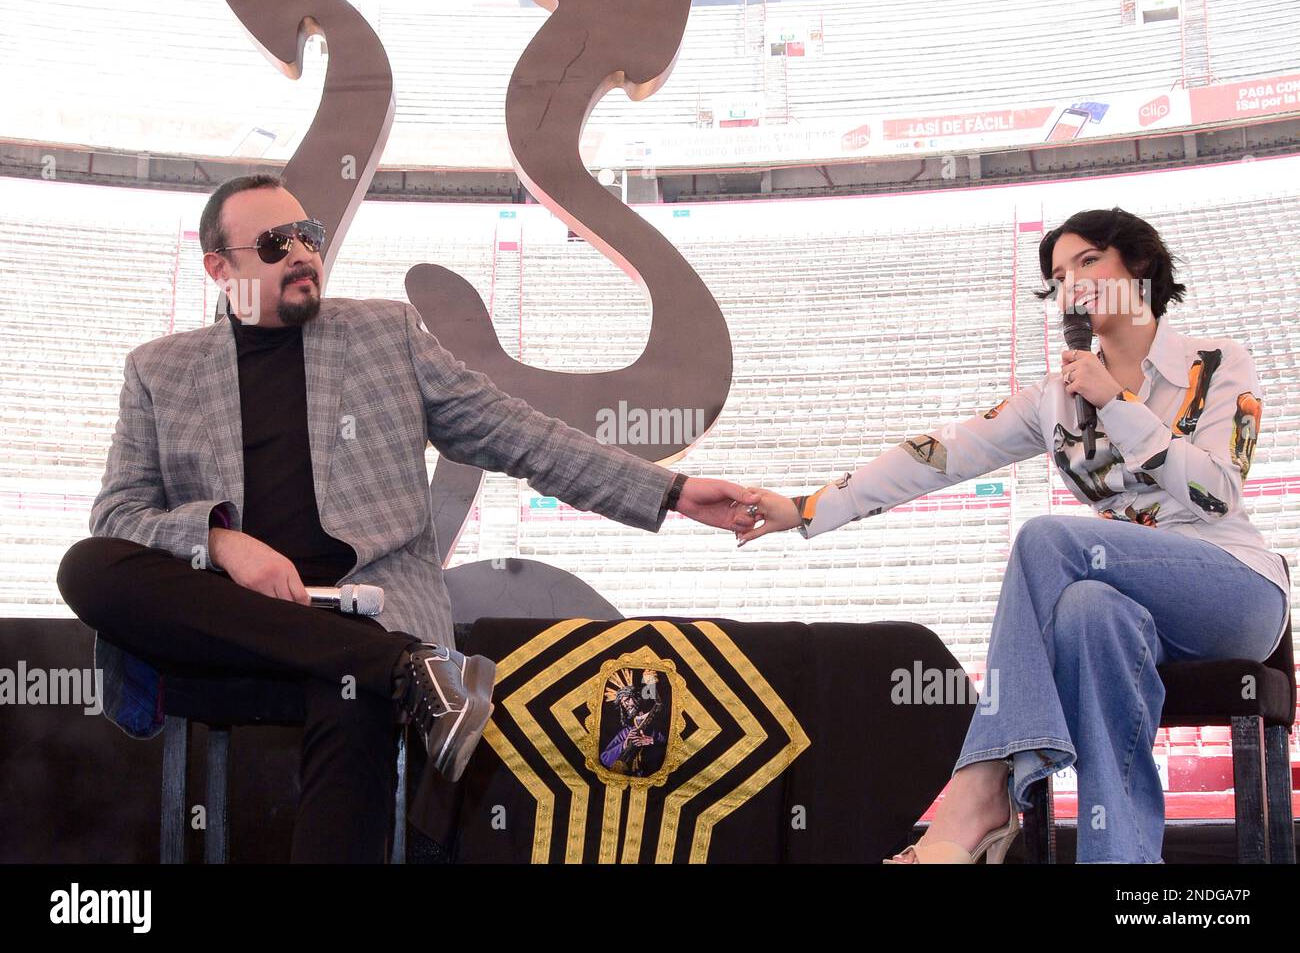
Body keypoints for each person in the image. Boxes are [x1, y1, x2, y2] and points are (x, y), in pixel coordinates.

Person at [55, 173, 752, 863]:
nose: (302, 253)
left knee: (352, 694)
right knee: (86, 566)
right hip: (230, 633)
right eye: (276, 243)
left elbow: (516, 434)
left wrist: (672, 491)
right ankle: (405, 667)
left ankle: (382, 662)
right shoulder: (159, 370)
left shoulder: (384, 333)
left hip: (362, 616)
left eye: (310, 236)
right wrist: (222, 542)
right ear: (219, 267)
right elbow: (119, 515)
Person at [734, 207, 1290, 863]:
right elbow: (936, 455)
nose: (1071, 282)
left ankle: (982, 792)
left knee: (1048, 539)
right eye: (1058, 274)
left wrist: (1118, 402)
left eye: (1088, 261)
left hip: (1234, 593)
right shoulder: (1053, 401)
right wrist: (804, 507)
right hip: (1131, 613)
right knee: (1086, 612)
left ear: (1137, 265)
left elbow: (1217, 488)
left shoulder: (1218, 362)